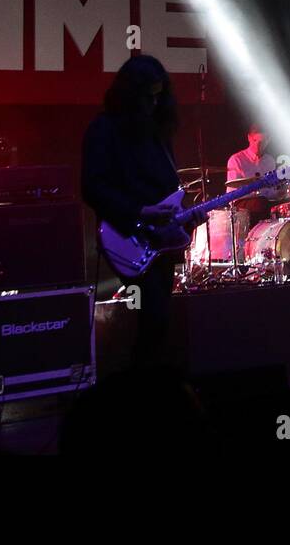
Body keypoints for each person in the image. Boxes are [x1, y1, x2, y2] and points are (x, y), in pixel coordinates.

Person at [81, 55, 182, 366]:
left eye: (158, 96)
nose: (153, 103)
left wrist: (185, 215)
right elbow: (92, 187)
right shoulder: (104, 129)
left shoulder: (157, 135)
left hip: (159, 242)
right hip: (125, 237)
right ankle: (137, 393)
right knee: (152, 315)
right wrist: (139, 212)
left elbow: (168, 189)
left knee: (160, 322)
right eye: (147, 96)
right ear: (130, 95)